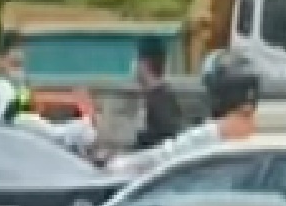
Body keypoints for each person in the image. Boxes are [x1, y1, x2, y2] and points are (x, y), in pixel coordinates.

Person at [107, 49, 260, 176]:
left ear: (218, 92)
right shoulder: (257, 130)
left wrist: (117, 164)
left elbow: (165, 155)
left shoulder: (216, 132)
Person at [134, 36, 186, 149]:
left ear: (145, 64)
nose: (134, 66)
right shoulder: (156, 97)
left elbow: (171, 140)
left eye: (136, 60)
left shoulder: (161, 101)